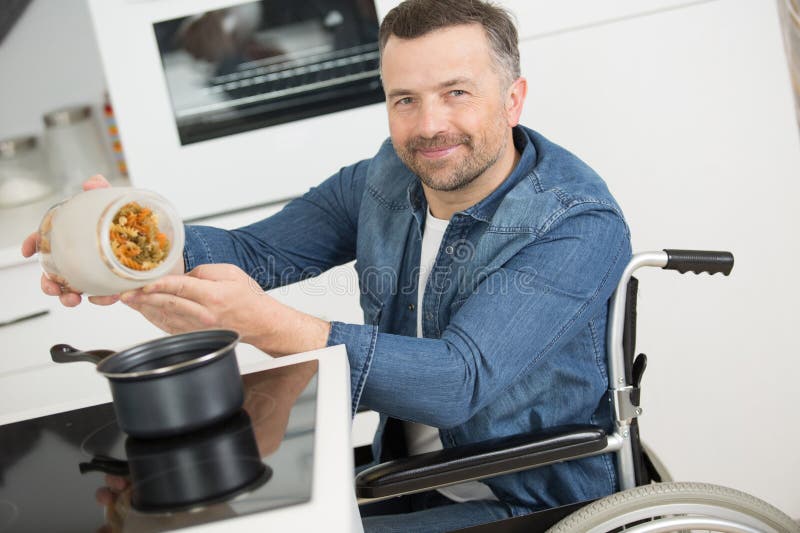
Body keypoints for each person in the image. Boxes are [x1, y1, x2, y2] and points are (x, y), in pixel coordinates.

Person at [22, 0, 631, 530]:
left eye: (457, 93)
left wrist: (264, 322)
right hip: (410, 475)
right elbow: (260, 253)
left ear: (513, 98)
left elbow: (457, 382)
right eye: (405, 100)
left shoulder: (575, 225)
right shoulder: (387, 178)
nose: (429, 125)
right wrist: (123, 246)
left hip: (526, 501)